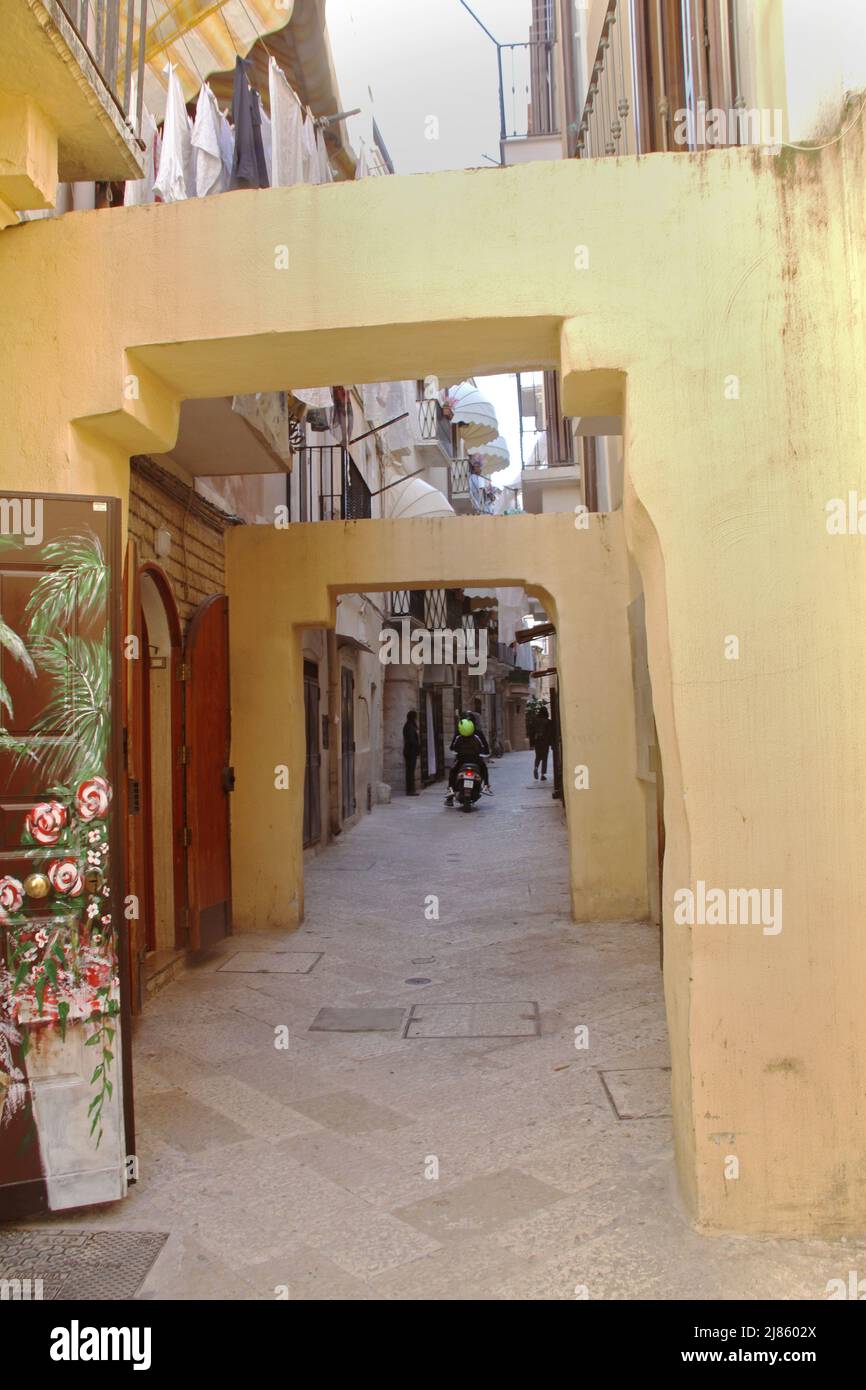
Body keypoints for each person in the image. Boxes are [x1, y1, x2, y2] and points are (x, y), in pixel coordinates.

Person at [445, 717, 492, 805]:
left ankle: (450, 790)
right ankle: (486, 786)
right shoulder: (477, 736)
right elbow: (483, 747)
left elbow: (453, 748)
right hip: (476, 761)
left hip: (461, 761)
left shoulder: (458, 737)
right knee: (484, 769)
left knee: (453, 772)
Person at [403, 709, 420, 796]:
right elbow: (411, 740)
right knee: (410, 771)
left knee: (410, 771)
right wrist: (417, 746)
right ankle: (410, 790)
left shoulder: (410, 725)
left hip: (411, 751)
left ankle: (411, 789)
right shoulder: (409, 726)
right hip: (410, 751)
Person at [533, 704, 552, 781]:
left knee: (537, 756)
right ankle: (542, 775)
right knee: (544, 758)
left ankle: (536, 767)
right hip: (545, 742)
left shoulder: (536, 721)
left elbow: (532, 731)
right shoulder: (548, 722)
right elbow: (549, 733)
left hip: (537, 741)